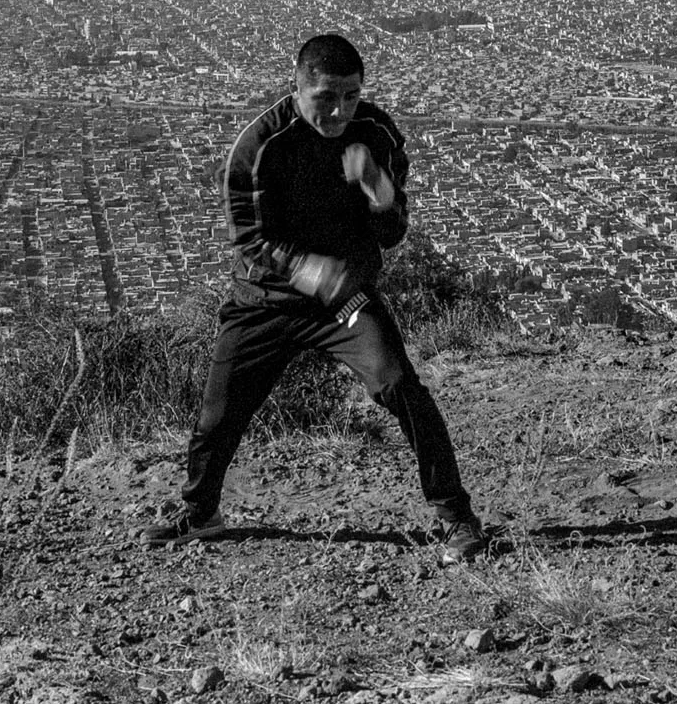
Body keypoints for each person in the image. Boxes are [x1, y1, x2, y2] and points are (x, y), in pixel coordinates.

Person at [142, 33, 487, 563]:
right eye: (325, 97)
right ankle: (200, 511)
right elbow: (251, 244)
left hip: (342, 304)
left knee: (399, 386)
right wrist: (311, 272)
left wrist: (382, 195)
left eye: (350, 96)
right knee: (219, 415)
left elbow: (392, 233)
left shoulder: (376, 134)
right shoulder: (258, 148)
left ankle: (456, 518)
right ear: (296, 88)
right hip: (264, 302)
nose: (338, 110)